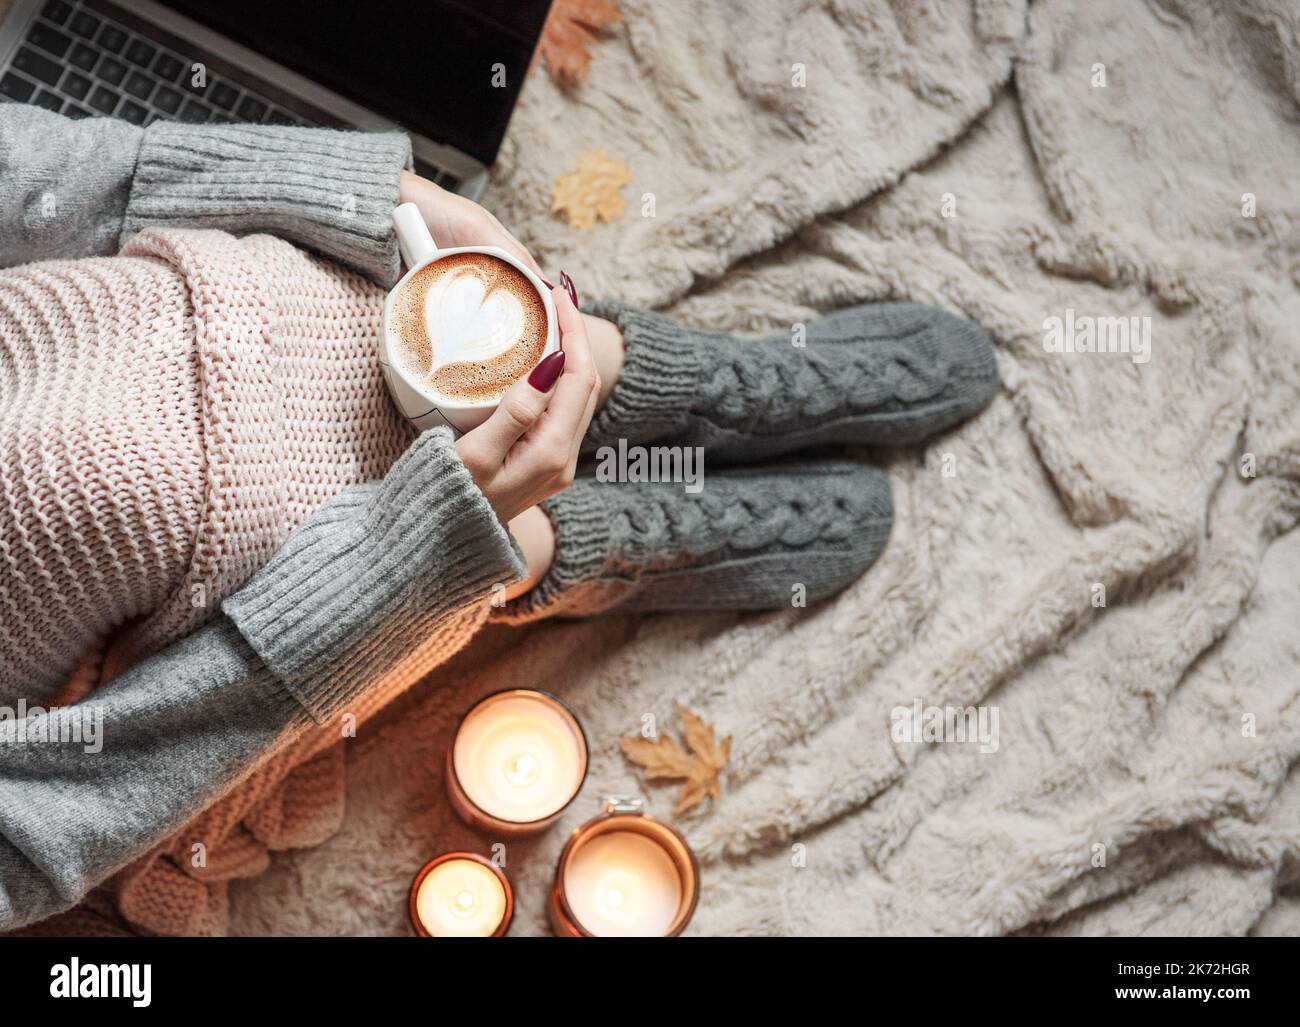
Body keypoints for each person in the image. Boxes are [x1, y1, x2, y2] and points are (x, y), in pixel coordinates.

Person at [0, 107, 998, 931]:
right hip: (228, 605)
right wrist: (411, 564)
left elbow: (26, 171)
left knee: (519, 348)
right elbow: (41, 828)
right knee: (489, 551)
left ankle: (681, 388)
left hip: (241, 302)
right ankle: (588, 547)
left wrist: (375, 201)